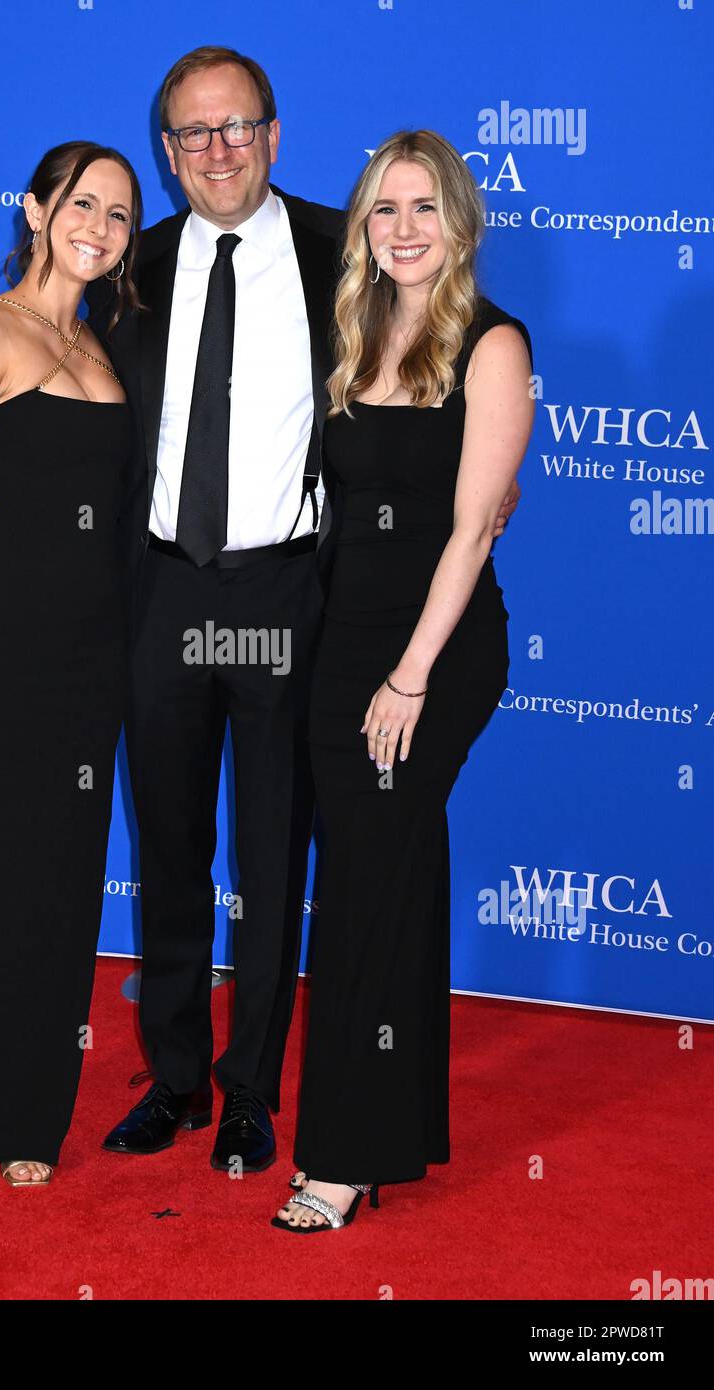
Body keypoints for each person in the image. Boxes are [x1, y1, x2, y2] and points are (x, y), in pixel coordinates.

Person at [0, 48, 520, 1178]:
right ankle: (172, 1079)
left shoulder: (344, 254)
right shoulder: (137, 264)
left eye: (237, 128)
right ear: (167, 153)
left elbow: (434, 398)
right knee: (169, 846)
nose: (216, 151)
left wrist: (486, 489)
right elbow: (57, 391)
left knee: (272, 856)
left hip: (288, 593)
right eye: (191, 135)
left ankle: (250, 1093)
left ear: (273, 134)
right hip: (162, 586)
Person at [271, 131, 534, 1232]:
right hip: (343, 638)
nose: (404, 229)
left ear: (458, 220)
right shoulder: (353, 332)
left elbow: (474, 522)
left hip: (434, 651)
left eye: (424, 207)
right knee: (394, 871)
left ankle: (338, 1156)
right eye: (384, 210)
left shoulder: (489, 340)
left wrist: (411, 677)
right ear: (363, 228)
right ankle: (401, 1127)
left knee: (363, 890)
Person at [0, 142, 141, 1187]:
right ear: (36, 210)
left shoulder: (105, 351)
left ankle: (31, 1119)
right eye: (81, 203)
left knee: (58, 890)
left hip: (90, 663)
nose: (98, 224)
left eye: (119, 214)